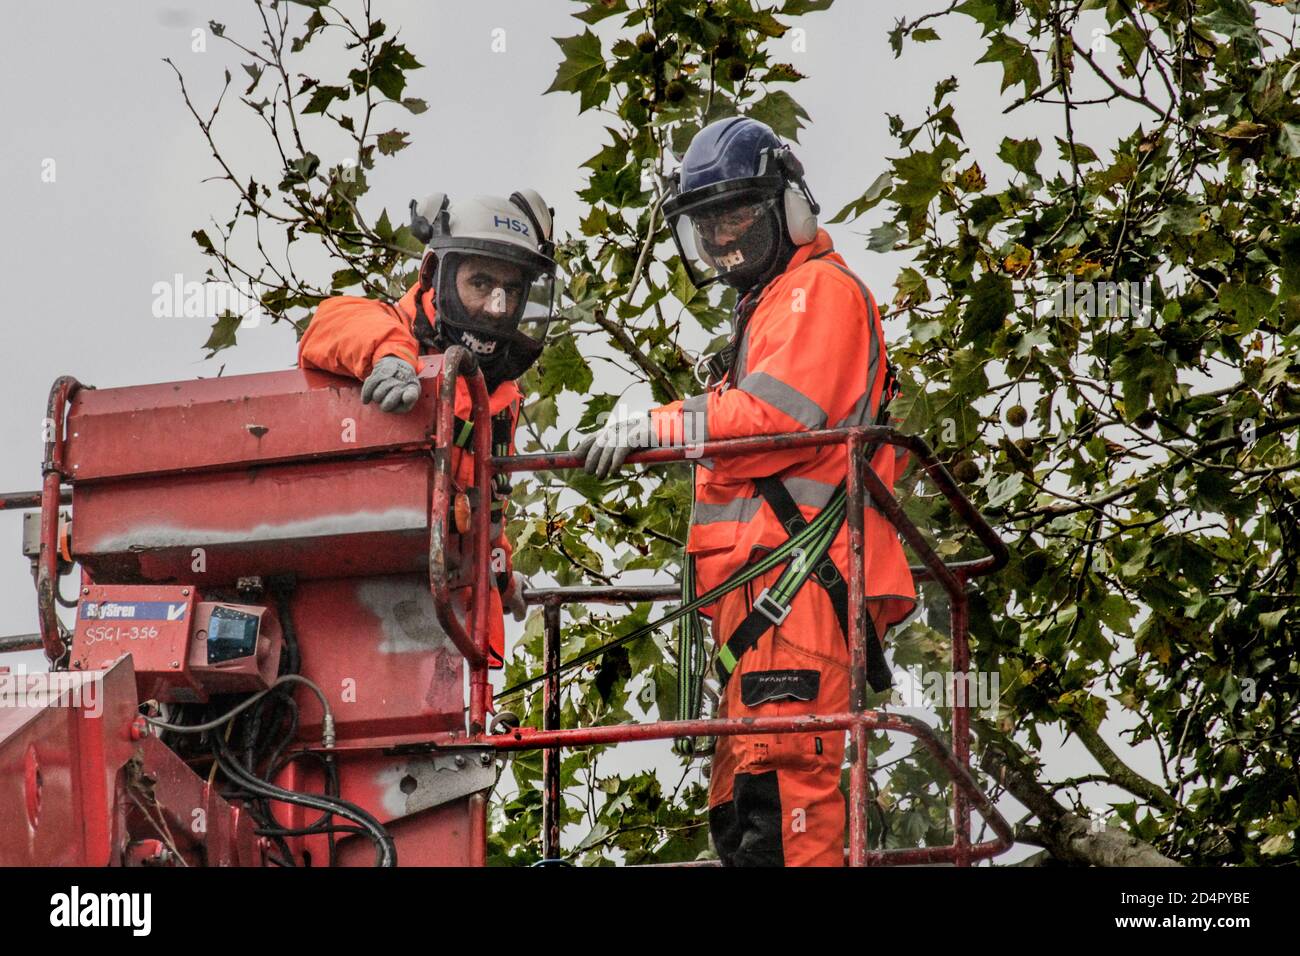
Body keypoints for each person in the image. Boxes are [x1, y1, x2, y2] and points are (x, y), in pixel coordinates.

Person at [576, 118, 917, 866]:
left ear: (788, 209)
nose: (724, 238)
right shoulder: (766, 310)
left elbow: (775, 418)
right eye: (710, 225)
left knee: (785, 785)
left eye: (737, 216)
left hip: (797, 592)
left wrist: (656, 425)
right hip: (758, 603)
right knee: (742, 806)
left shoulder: (816, 292)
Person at [298, 190, 558, 669]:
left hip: (441, 632)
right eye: (479, 282)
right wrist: (395, 358)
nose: (496, 307)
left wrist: (501, 572)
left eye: (511, 291)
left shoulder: (498, 400)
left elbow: (481, 505)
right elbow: (329, 322)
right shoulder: (392, 333)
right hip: (358, 614)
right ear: (436, 276)